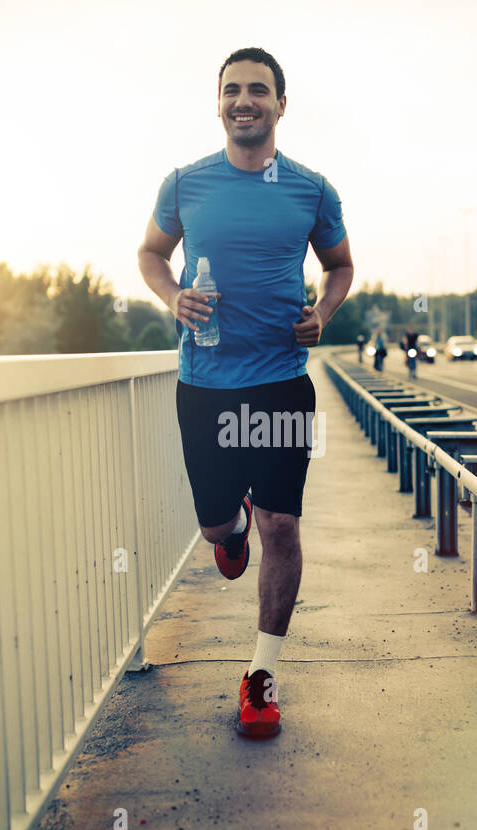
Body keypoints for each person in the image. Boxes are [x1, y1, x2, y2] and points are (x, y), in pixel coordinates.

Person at [137, 47, 354, 737]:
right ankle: (228, 530)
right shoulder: (184, 184)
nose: (244, 101)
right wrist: (173, 296)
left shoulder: (312, 190)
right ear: (219, 103)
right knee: (217, 529)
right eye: (232, 90)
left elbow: (341, 265)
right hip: (204, 387)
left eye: (258, 90)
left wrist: (324, 311)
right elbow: (149, 254)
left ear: (281, 105)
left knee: (282, 525)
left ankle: (261, 673)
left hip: (283, 387)